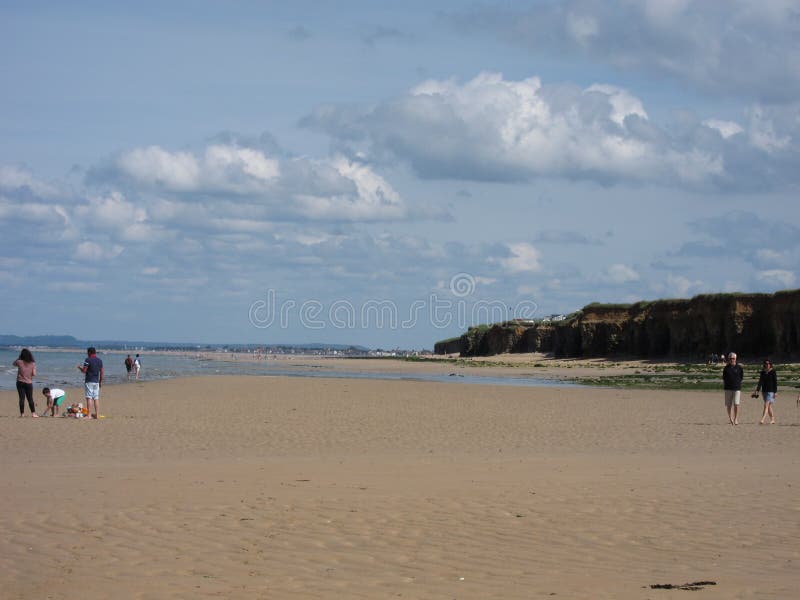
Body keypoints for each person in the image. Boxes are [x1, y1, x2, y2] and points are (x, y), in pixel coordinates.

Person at [78, 347, 104, 419]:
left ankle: (89, 415)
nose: (87, 353)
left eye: (87, 352)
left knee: (89, 397)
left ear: (89, 352)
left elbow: (84, 371)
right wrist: (100, 381)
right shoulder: (99, 360)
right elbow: (102, 372)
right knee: (96, 398)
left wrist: (79, 367)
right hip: (96, 381)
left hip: (89, 380)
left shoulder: (87, 360)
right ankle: (97, 415)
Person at [13, 348, 38, 417]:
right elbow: (34, 374)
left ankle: (22, 414)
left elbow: (13, 364)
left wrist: (19, 358)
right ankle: (33, 413)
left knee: (21, 398)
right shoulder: (32, 363)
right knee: (30, 398)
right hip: (28, 383)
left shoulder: (19, 362)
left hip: (20, 382)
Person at [722, 352, 744, 425]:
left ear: (735, 359)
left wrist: (737, 383)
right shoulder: (726, 368)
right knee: (728, 405)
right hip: (728, 388)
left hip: (737, 388)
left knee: (736, 404)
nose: (732, 360)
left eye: (733, 358)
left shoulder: (739, 368)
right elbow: (724, 378)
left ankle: (736, 419)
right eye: (730, 358)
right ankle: (730, 418)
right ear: (729, 359)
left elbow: (741, 377)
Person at [754, 359, 778, 425]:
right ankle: (772, 419)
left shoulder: (773, 371)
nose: (767, 365)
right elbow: (760, 382)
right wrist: (757, 390)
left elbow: (775, 382)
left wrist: (775, 392)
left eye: (768, 363)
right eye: (766, 364)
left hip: (771, 391)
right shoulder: (762, 372)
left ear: (770, 364)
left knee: (766, 405)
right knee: (768, 406)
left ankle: (762, 419)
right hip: (764, 391)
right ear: (764, 364)